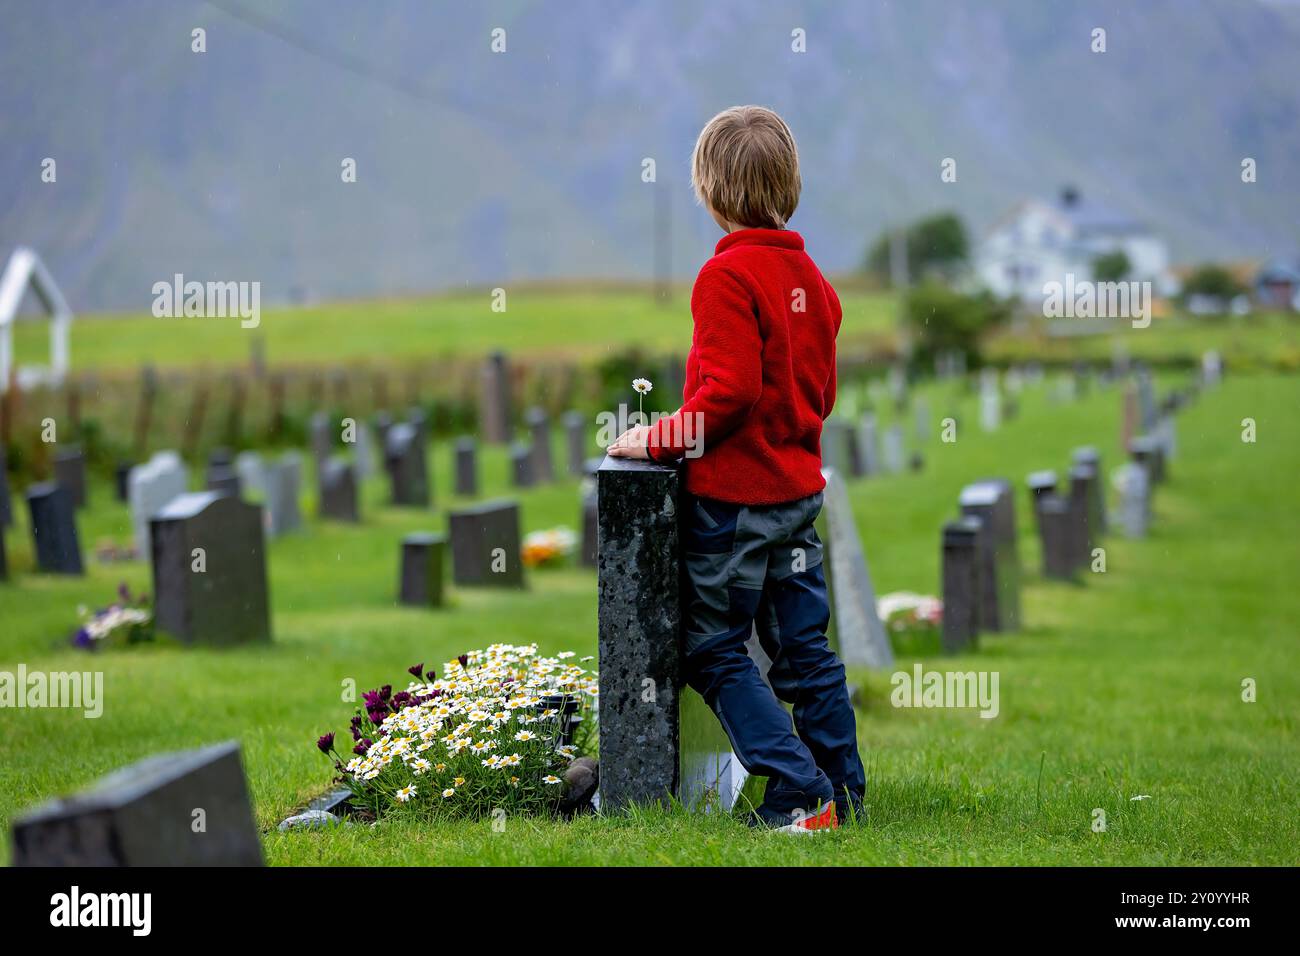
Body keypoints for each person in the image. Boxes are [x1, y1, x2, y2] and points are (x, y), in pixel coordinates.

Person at [608, 105, 865, 832]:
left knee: (712, 645)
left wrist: (658, 438)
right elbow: (817, 392)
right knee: (803, 648)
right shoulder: (811, 278)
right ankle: (842, 793)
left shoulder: (726, 278)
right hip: (794, 496)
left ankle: (795, 789)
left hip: (735, 504)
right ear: (789, 186)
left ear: (710, 191)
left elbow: (730, 392)